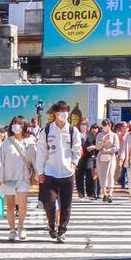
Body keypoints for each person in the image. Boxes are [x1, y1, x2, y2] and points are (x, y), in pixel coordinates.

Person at [36, 100, 83, 242]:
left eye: (66, 112)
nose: (64, 114)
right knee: (49, 201)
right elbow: (41, 152)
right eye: (60, 112)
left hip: (67, 172)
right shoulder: (47, 130)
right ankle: (51, 224)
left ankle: (62, 230)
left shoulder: (72, 130)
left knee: (66, 204)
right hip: (50, 171)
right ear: (55, 114)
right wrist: (40, 172)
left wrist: (73, 165)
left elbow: (77, 150)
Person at [0, 117, 38, 241]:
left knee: (22, 205)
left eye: (19, 124)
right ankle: (12, 229)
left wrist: (39, 174)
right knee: (10, 206)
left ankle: (21, 227)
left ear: (24, 126)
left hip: (23, 178)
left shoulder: (30, 141)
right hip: (8, 178)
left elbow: (35, 159)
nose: (16, 126)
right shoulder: (7, 142)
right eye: (14, 124)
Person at [95, 123, 119, 203]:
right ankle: (104, 193)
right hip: (101, 156)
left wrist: (108, 150)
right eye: (103, 125)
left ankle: (110, 194)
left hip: (111, 156)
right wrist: (103, 141)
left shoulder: (114, 135)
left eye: (106, 125)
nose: (105, 127)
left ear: (110, 125)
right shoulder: (99, 135)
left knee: (110, 174)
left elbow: (116, 147)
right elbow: (97, 146)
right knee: (102, 175)